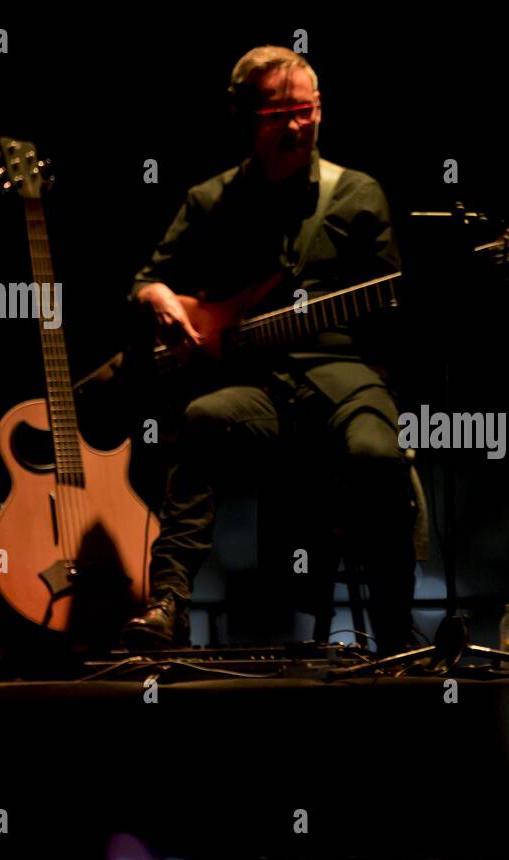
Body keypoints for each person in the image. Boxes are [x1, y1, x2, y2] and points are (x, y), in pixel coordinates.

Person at [120, 46, 419, 656]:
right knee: (203, 419)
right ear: (243, 118)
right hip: (260, 384)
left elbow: (394, 308)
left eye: (304, 111)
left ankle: (396, 636)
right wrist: (159, 299)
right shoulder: (212, 200)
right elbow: (146, 280)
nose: (293, 127)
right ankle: (168, 603)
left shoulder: (358, 192)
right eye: (276, 114)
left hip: (345, 376)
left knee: (376, 456)